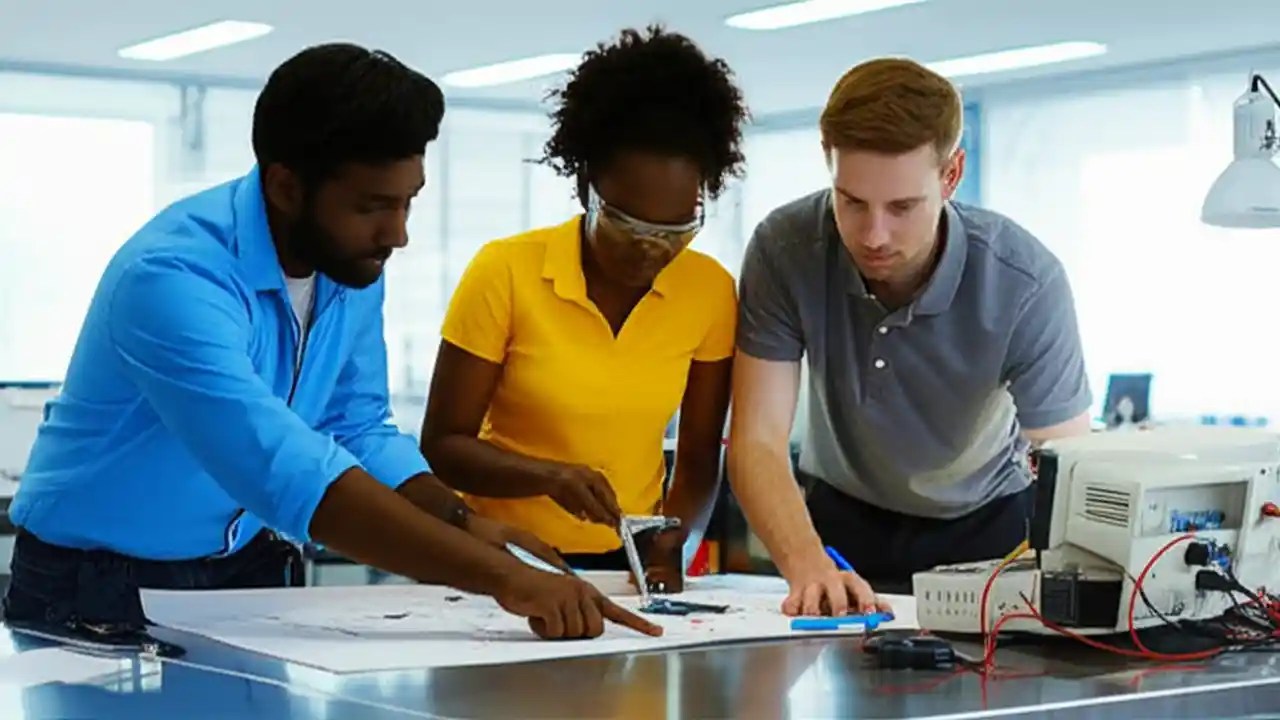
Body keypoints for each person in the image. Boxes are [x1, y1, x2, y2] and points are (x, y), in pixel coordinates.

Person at [3, 43, 661, 642]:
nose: (397, 233)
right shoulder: (172, 279)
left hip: (245, 573)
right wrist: (500, 576)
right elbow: (281, 465)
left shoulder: (345, 264)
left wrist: (464, 523)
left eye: (408, 202)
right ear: (287, 185)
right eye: (374, 206)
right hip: (95, 586)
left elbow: (357, 425)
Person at [727, 58, 1092, 617]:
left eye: (902, 207)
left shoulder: (1026, 280)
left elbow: (1069, 461)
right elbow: (756, 440)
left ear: (951, 175)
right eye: (851, 202)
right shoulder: (785, 249)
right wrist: (807, 566)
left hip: (987, 526)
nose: (874, 236)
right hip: (839, 523)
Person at [420, 26, 746, 588]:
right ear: (585, 187)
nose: (651, 248)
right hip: (499, 556)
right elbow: (444, 446)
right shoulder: (506, 272)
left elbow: (696, 456)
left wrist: (672, 542)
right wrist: (547, 477)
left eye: (675, 231)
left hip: (626, 566)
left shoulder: (710, 289)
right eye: (628, 225)